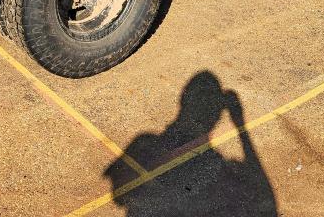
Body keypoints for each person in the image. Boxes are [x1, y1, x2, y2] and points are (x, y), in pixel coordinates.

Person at [104, 71, 276, 216]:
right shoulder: (215, 164)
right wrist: (240, 124)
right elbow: (266, 198)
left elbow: (118, 196)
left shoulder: (144, 143)